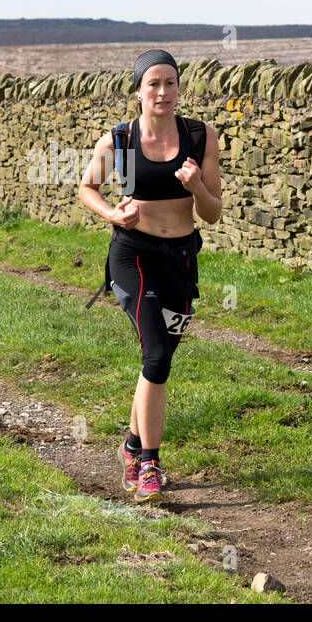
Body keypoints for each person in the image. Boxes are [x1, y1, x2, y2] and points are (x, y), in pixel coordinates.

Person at [79, 49, 222, 504]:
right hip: (133, 255)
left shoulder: (200, 136)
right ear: (138, 90)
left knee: (156, 364)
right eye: (153, 84)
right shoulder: (119, 140)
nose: (163, 92)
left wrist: (196, 185)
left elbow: (213, 213)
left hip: (181, 258)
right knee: (156, 354)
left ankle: (130, 445)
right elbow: (87, 187)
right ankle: (149, 466)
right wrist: (113, 216)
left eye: (171, 83)